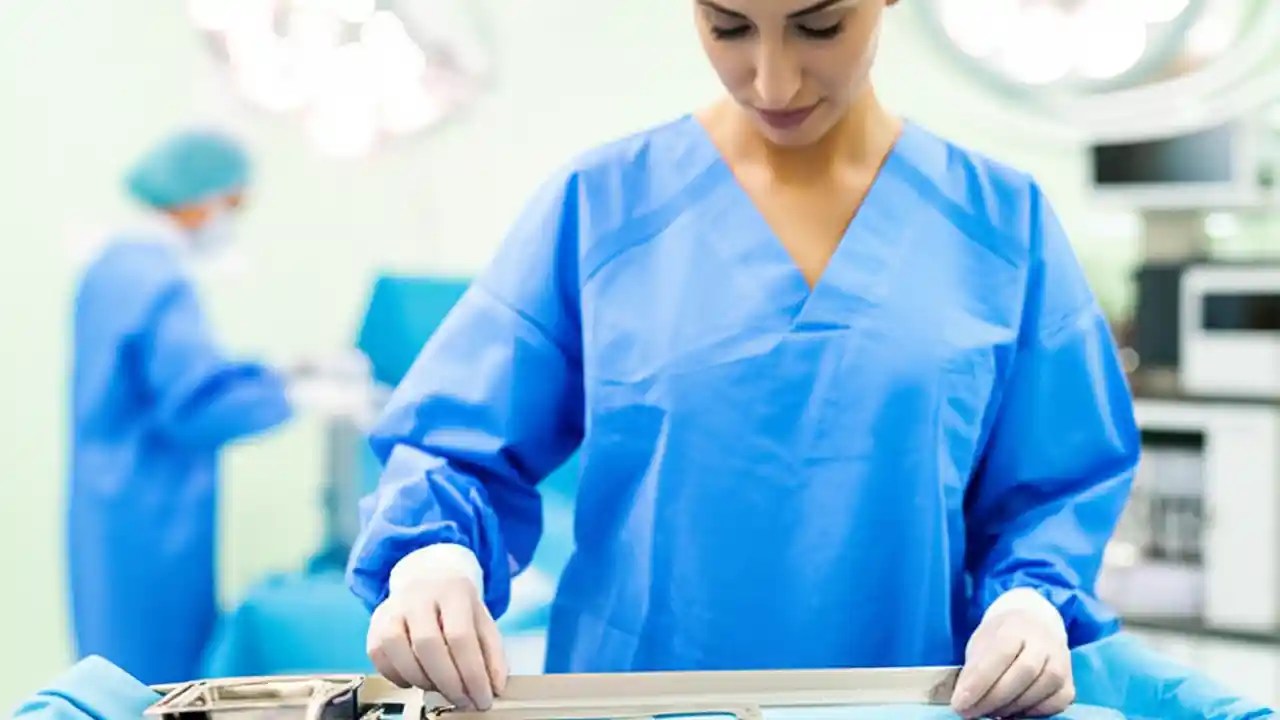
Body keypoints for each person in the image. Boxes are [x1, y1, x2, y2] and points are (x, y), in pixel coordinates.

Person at [347, 1, 1140, 718]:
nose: (772, 78)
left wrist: (1031, 603)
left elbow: (1055, 484)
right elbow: (457, 439)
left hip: (905, 701)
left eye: (818, 26)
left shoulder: (1001, 224)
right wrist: (432, 555)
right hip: (632, 700)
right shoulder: (603, 205)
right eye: (728, 27)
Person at [69, 129, 293, 685]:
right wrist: (291, 397)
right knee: (158, 681)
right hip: (154, 511)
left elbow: (165, 380)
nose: (230, 218)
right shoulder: (160, 280)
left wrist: (272, 373)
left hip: (109, 504)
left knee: (112, 675)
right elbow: (194, 407)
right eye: (233, 203)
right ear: (197, 201)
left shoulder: (112, 268)